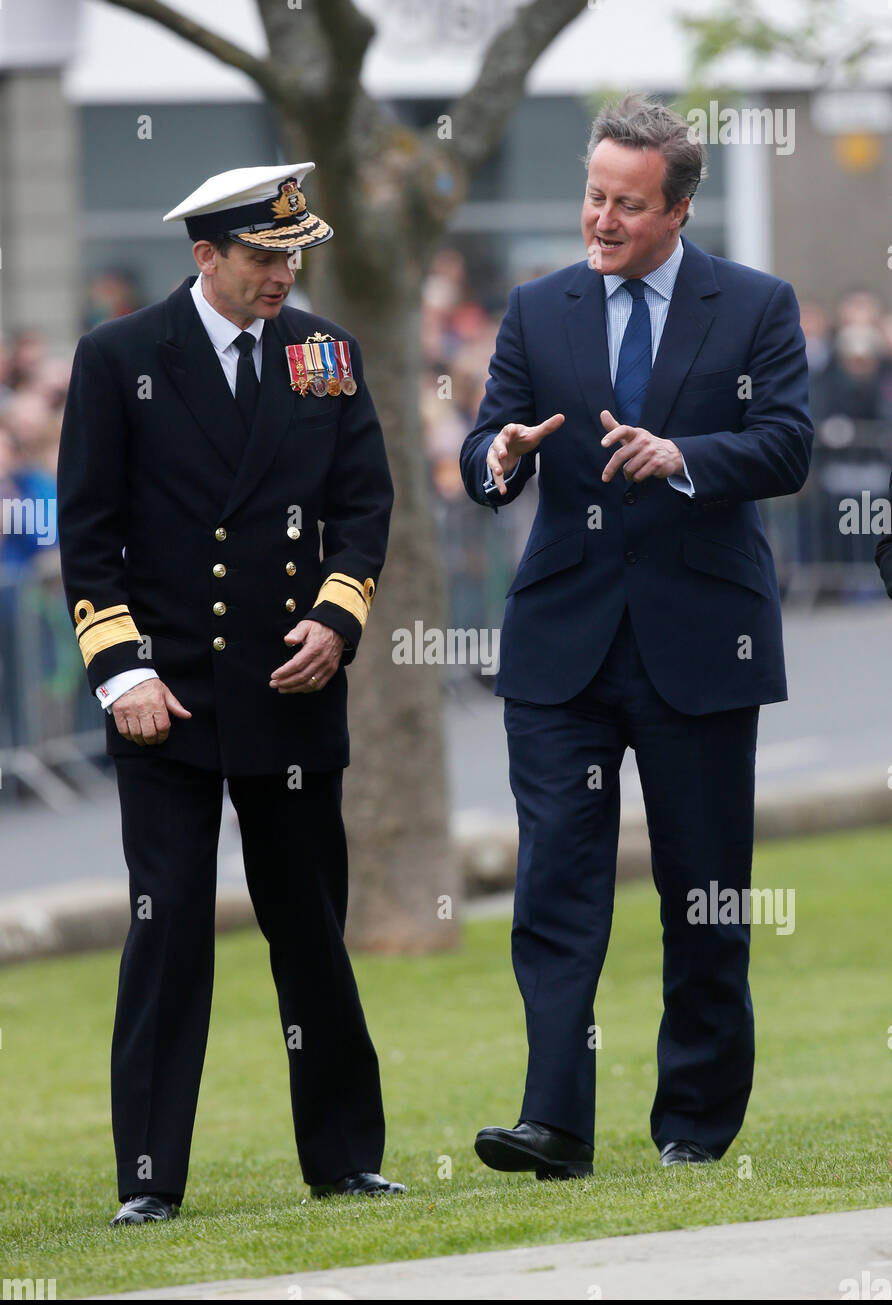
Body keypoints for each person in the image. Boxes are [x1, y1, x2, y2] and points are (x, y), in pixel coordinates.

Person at [460, 96, 813, 1178]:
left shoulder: (752, 303)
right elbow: (485, 444)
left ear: (679, 207)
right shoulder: (536, 306)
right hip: (562, 646)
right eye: (593, 196)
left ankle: (693, 1127)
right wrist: (501, 454)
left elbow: (788, 444)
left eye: (626, 203)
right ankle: (553, 1124)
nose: (601, 220)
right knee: (555, 888)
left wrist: (683, 455)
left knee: (703, 893)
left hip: (704, 642)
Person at [57, 163, 403, 1225]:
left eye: (293, 255)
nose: (281, 275)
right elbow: (88, 532)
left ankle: (343, 1158)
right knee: (168, 932)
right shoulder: (120, 358)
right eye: (263, 256)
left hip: (291, 689)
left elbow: (363, 502)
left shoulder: (324, 353)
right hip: (166, 696)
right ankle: (150, 1180)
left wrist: (338, 618)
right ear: (204, 256)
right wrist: (123, 672)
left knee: (310, 925)